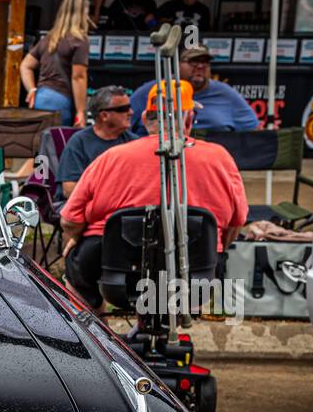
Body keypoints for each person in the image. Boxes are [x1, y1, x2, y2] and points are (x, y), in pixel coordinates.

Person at [61, 80, 248, 311]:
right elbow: (237, 222)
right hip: (194, 269)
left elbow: (69, 219)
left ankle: (96, 337)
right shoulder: (220, 158)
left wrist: (75, 237)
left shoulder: (112, 157)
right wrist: (215, 249)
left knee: (76, 266)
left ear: (145, 120)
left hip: (116, 269)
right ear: (188, 119)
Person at [129, 44, 259, 133]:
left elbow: (253, 131)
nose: (200, 66)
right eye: (194, 61)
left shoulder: (226, 93)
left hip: (208, 161)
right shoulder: (154, 90)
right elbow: (121, 128)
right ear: (178, 64)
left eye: (205, 62)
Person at [56, 85, 136, 203]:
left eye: (130, 107)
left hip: (122, 207)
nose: (131, 112)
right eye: (123, 109)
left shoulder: (133, 142)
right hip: (85, 206)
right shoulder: (79, 142)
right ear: (104, 115)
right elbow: (69, 189)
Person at [19, 0, 91, 126]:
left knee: (42, 143)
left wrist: (31, 90)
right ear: (82, 14)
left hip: (40, 98)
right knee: (59, 143)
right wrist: (81, 111)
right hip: (61, 100)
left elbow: (25, 65)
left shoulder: (48, 39)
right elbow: (78, 77)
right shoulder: (79, 40)